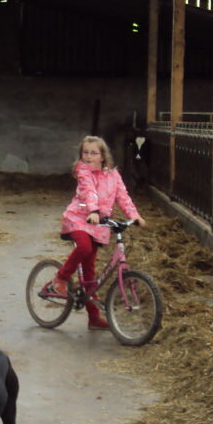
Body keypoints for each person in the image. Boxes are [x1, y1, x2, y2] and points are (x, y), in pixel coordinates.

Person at [40, 135, 146, 331]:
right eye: (85, 152)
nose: (88, 156)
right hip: (79, 219)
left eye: (93, 153)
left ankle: (94, 318)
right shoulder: (83, 170)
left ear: (103, 156)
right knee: (84, 247)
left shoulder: (114, 175)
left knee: (89, 272)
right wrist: (94, 211)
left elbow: (123, 197)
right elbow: (89, 191)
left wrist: (135, 216)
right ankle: (60, 279)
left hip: (99, 224)